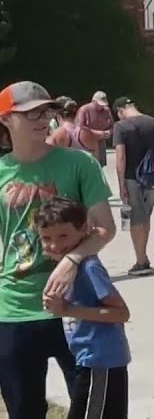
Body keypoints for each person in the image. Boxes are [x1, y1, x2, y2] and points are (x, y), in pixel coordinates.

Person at [0, 81, 116, 419]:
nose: (42, 118)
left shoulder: (78, 164)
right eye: (30, 112)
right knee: (24, 410)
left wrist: (72, 260)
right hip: (14, 309)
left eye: (46, 110)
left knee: (92, 409)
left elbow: (104, 228)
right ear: (6, 119)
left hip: (75, 308)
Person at [35, 197, 131, 419]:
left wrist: (67, 310)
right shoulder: (66, 267)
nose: (55, 245)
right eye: (46, 238)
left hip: (101, 361)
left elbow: (121, 313)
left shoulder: (89, 268)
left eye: (63, 236)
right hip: (89, 360)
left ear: (84, 231)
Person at [111, 97, 154, 276]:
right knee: (145, 216)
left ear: (120, 110)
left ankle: (140, 261)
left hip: (132, 178)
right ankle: (143, 256)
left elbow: (120, 157)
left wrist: (121, 183)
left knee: (136, 219)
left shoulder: (121, 127)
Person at [75, 91, 114, 183]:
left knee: (99, 165)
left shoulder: (106, 110)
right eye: (99, 104)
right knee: (88, 165)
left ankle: (97, 183)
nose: (102, 106)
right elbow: (79, 127)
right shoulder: (84, 110)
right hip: (87, 142)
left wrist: (109, 132)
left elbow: (112, 125)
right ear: (93, 101)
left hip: (101, 142)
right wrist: (96, 133)